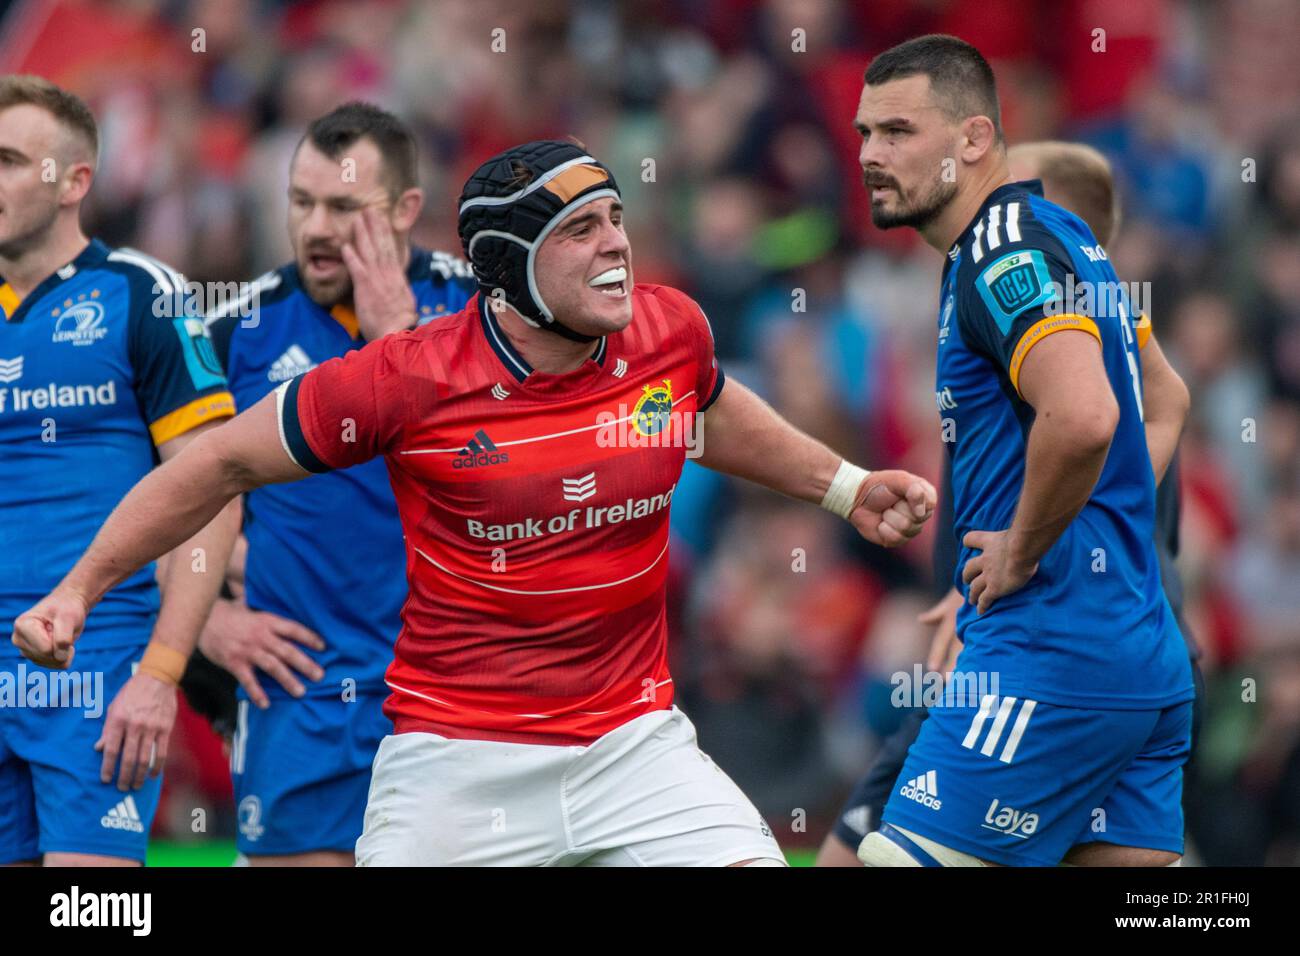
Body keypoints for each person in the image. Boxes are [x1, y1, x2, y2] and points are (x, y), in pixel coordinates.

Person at [13, 139, 936, 867]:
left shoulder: (668, 331)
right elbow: (213, 465)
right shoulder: (405, 380)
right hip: (459, 758)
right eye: (582, 229)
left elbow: (710, 410)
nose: (617, 244)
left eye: (617, 218)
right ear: (512, 265)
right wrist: (79, 591)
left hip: (634, 741)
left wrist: (845, 487)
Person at [851, 36, 1193, 867]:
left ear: (973, 139)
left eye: (897, 131)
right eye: (864, 133)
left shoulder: (1003, 248)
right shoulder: (1061, 233)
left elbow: (1081, 418)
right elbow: (1166, 400)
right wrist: (1091, 528)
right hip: (1142, 658)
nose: (869, 155)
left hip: (1046, 659)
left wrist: (1025, 549)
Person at [195, 102, 477, 866]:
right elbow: (166, 495)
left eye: (344, 207)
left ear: (405, 210)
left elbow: (509, 465)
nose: (317, 227)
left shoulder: (482, 314)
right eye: (301, 202)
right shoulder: (233, 331)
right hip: (300, 697)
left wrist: (400, 342)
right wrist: (206, 621)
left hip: (454, 696)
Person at [0, 75, 239, 867]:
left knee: (89, 916)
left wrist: (162, 675)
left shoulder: (148, 296)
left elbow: (214, 493)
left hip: (95, 669)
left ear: (75, 182)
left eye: (8, 161)